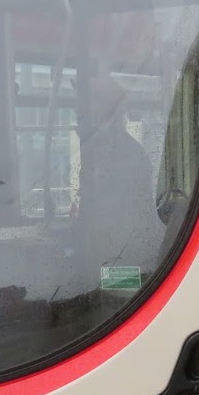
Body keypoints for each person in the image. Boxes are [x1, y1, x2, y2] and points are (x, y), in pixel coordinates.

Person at [74, 76, 164, 268]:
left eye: (93, 99)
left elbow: (126, 215)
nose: (83, 108)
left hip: (119, 260)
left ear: (110, 107)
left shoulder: (124, 152)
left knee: (112, 293)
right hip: (102, 252)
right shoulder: (96, 146)